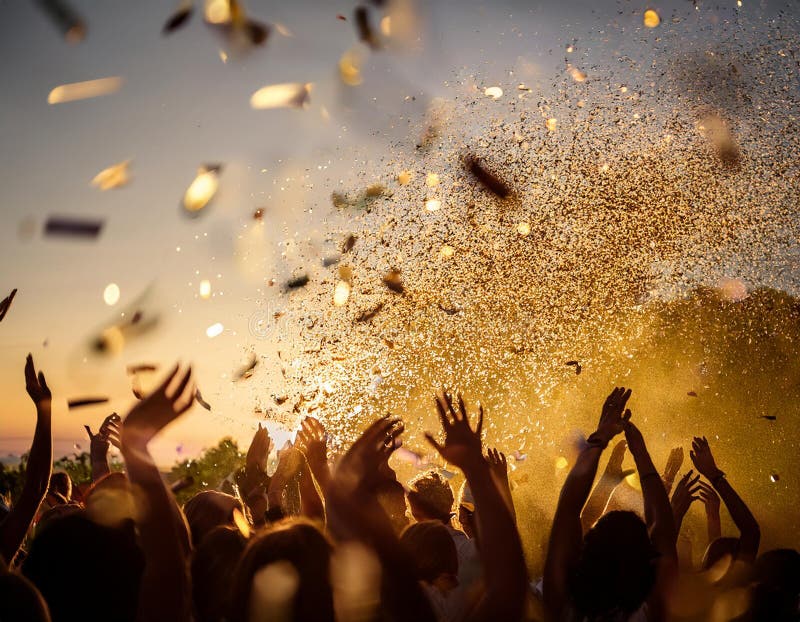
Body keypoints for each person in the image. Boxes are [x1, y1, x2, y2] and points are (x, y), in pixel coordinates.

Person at [544, 387, 677, 621]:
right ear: (647, 558)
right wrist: (641, 454)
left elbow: (568, 510)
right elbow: (663, 527)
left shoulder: (563, 606)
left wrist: (600, 438)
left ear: (587, 550)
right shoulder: (653, 610)